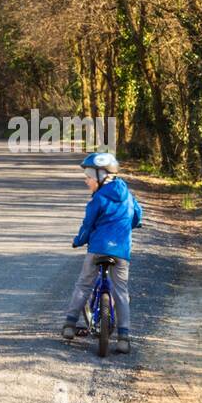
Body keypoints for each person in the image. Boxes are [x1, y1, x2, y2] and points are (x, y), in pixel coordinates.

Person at [62, 151, 142, 353]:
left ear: (102, 176)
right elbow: (137, 217)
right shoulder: (128, 196)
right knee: (121, 291)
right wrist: (126, 227)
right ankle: (124, 337)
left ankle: (70, 325)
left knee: (84, 284)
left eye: (89, 176)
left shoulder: (98, 199)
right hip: (122, 251)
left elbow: (88, 225)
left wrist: (79, 240)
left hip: (97, 249)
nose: (86, 181)